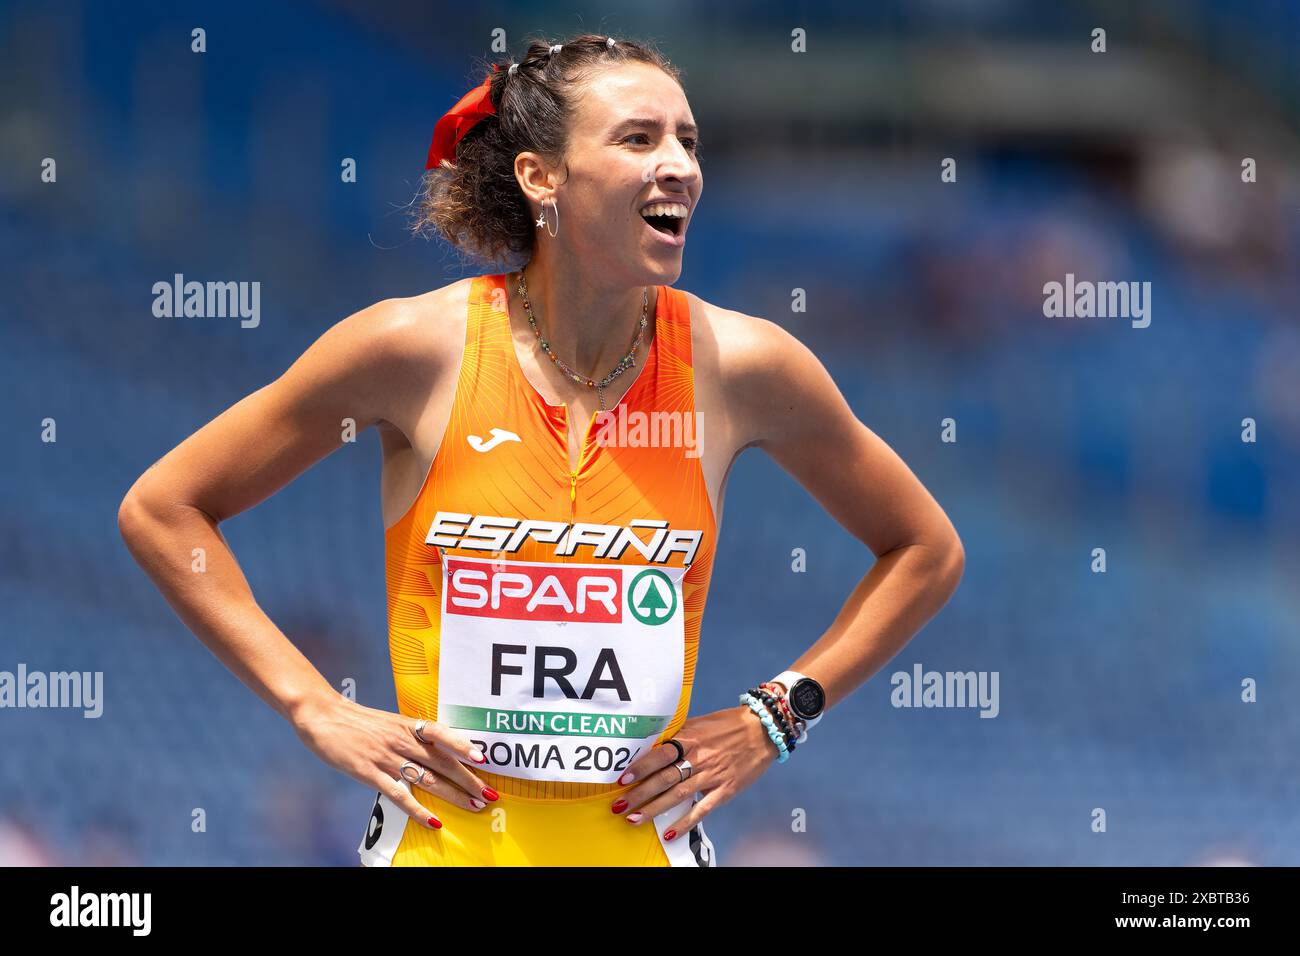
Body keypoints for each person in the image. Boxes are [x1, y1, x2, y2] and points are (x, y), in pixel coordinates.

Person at [117, 33, 964, 867]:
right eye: (639, 138)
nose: (680, 165)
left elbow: (925, 550)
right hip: (439, 850)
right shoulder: (414, 348)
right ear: (541, 177)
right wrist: (311, 704)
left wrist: (774, 718)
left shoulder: (742, 366)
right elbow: (165, 508)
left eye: (688, 141)